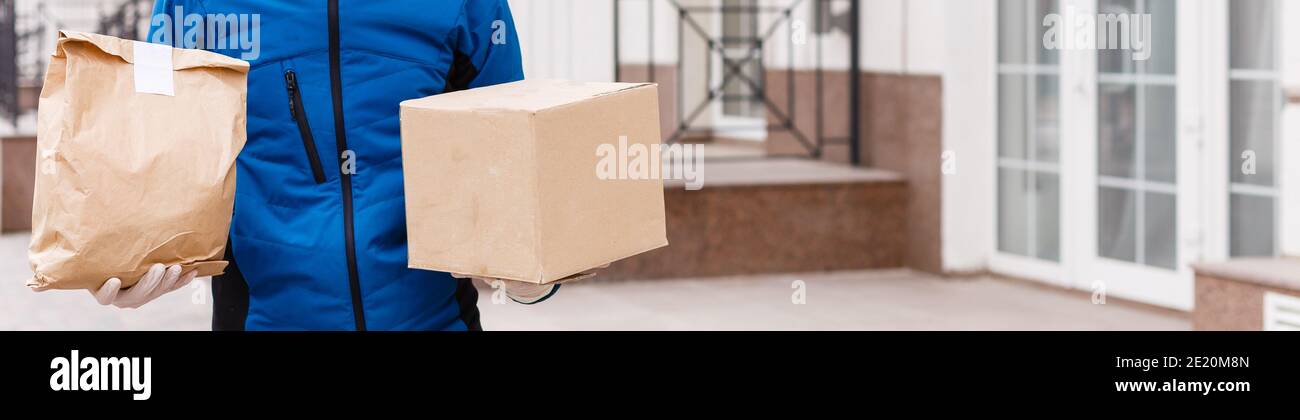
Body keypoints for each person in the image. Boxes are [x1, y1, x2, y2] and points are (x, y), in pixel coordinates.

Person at [87, 0, 586, 330]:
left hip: (434, 319)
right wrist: (121, 261)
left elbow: (511, 153)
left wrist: (533, 273)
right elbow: (154, 150)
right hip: (263, 320)